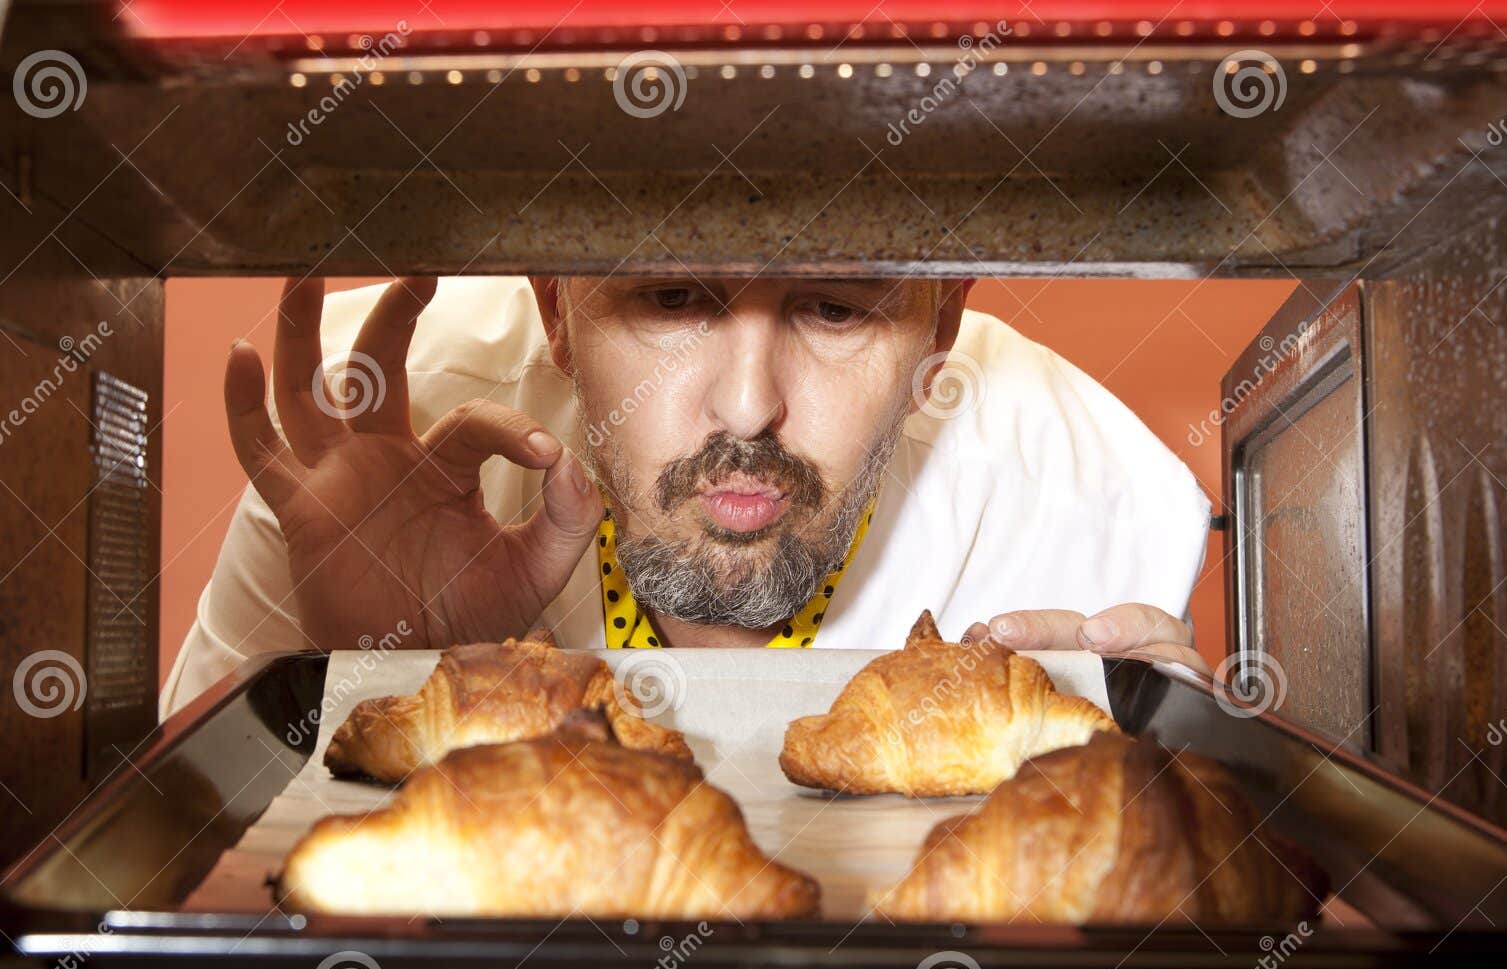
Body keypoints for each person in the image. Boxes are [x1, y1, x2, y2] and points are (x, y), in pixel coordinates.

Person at [160, 275, 1211, 716]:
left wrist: (1187, 827)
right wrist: (371, 684)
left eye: (837, 306)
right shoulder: (369, 434)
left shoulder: (1098, 511)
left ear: (938, 325)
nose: (748, 409)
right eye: (672, 296)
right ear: (555, 305)